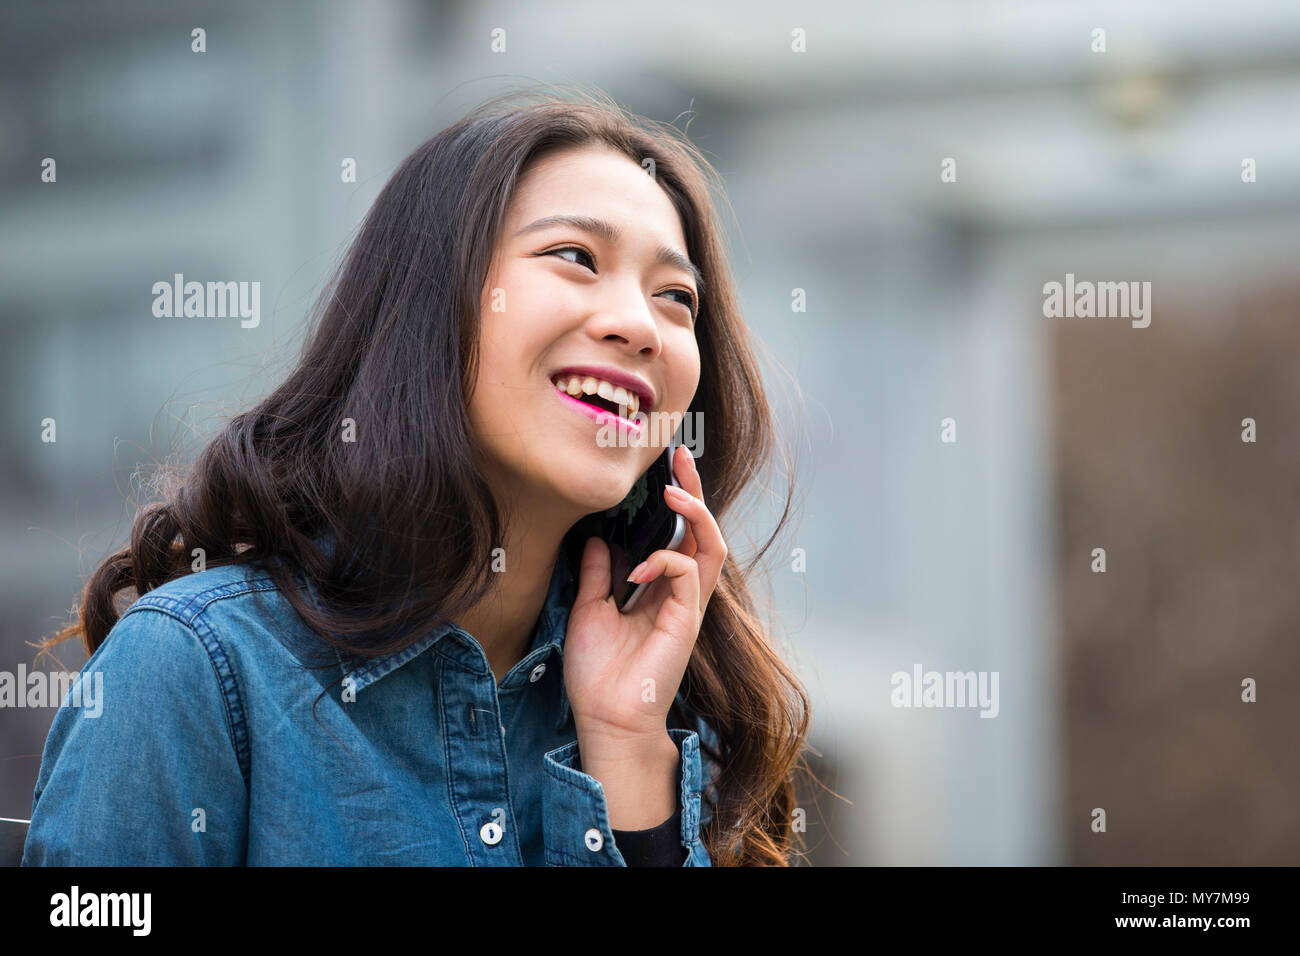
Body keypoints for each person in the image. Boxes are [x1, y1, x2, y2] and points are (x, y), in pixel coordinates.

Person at [23, 87, 812, 866]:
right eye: (575, 256)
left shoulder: (668, 711)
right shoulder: (194, 668)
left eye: (677, 298)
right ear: (429, 303)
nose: (641, 325)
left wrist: (628, 751)